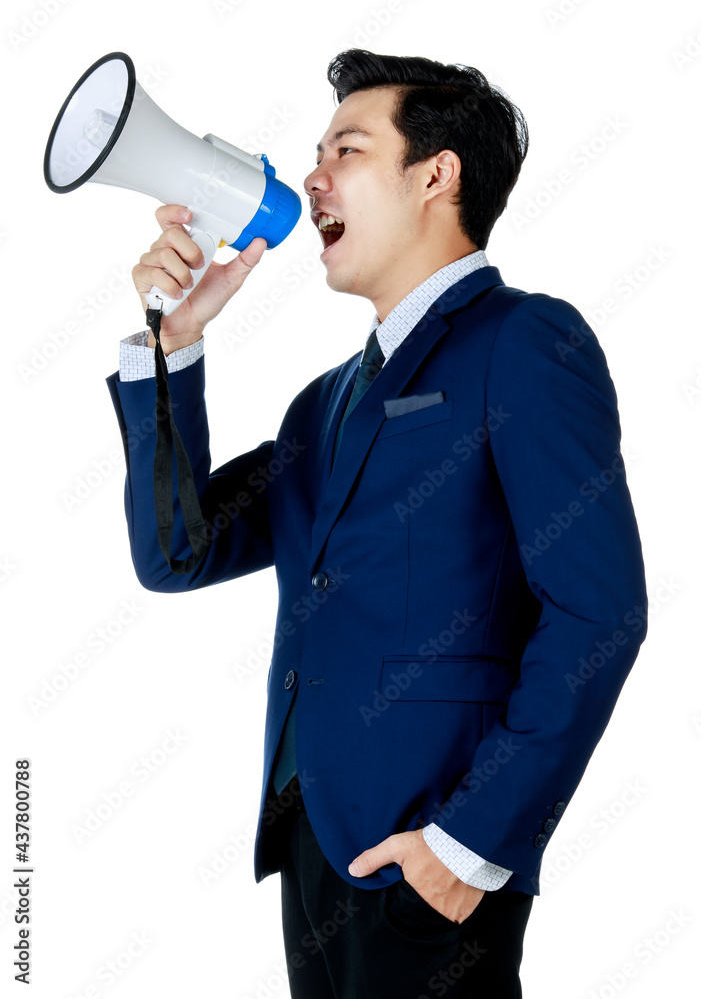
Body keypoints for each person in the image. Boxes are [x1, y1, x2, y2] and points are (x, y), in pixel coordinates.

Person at [105, 49, 648, 998]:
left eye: (346, 149)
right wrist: (171, 348)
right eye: (315, 152)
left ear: (437, 175)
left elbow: (599, 615)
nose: (311, 176)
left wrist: (469, 845)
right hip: (316, 843)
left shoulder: (526, 340)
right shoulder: (325, 406)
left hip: (432, 852)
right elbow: (177, 553)